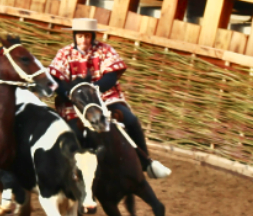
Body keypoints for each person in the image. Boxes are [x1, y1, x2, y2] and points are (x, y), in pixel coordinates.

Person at [49, 18, 171, 180]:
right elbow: (56, 79)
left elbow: (111, 76)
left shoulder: (105, 50)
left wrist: (93, 91)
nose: (83, 40)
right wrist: (72, 95)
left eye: (87, 36)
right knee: (73, 131)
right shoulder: (65, 53)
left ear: (92, 36)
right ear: (74, 36)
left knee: (131, 120)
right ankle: (70, 168)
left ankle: (145, 161)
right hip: (75, 103)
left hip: (105, 98)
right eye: (80, 36)